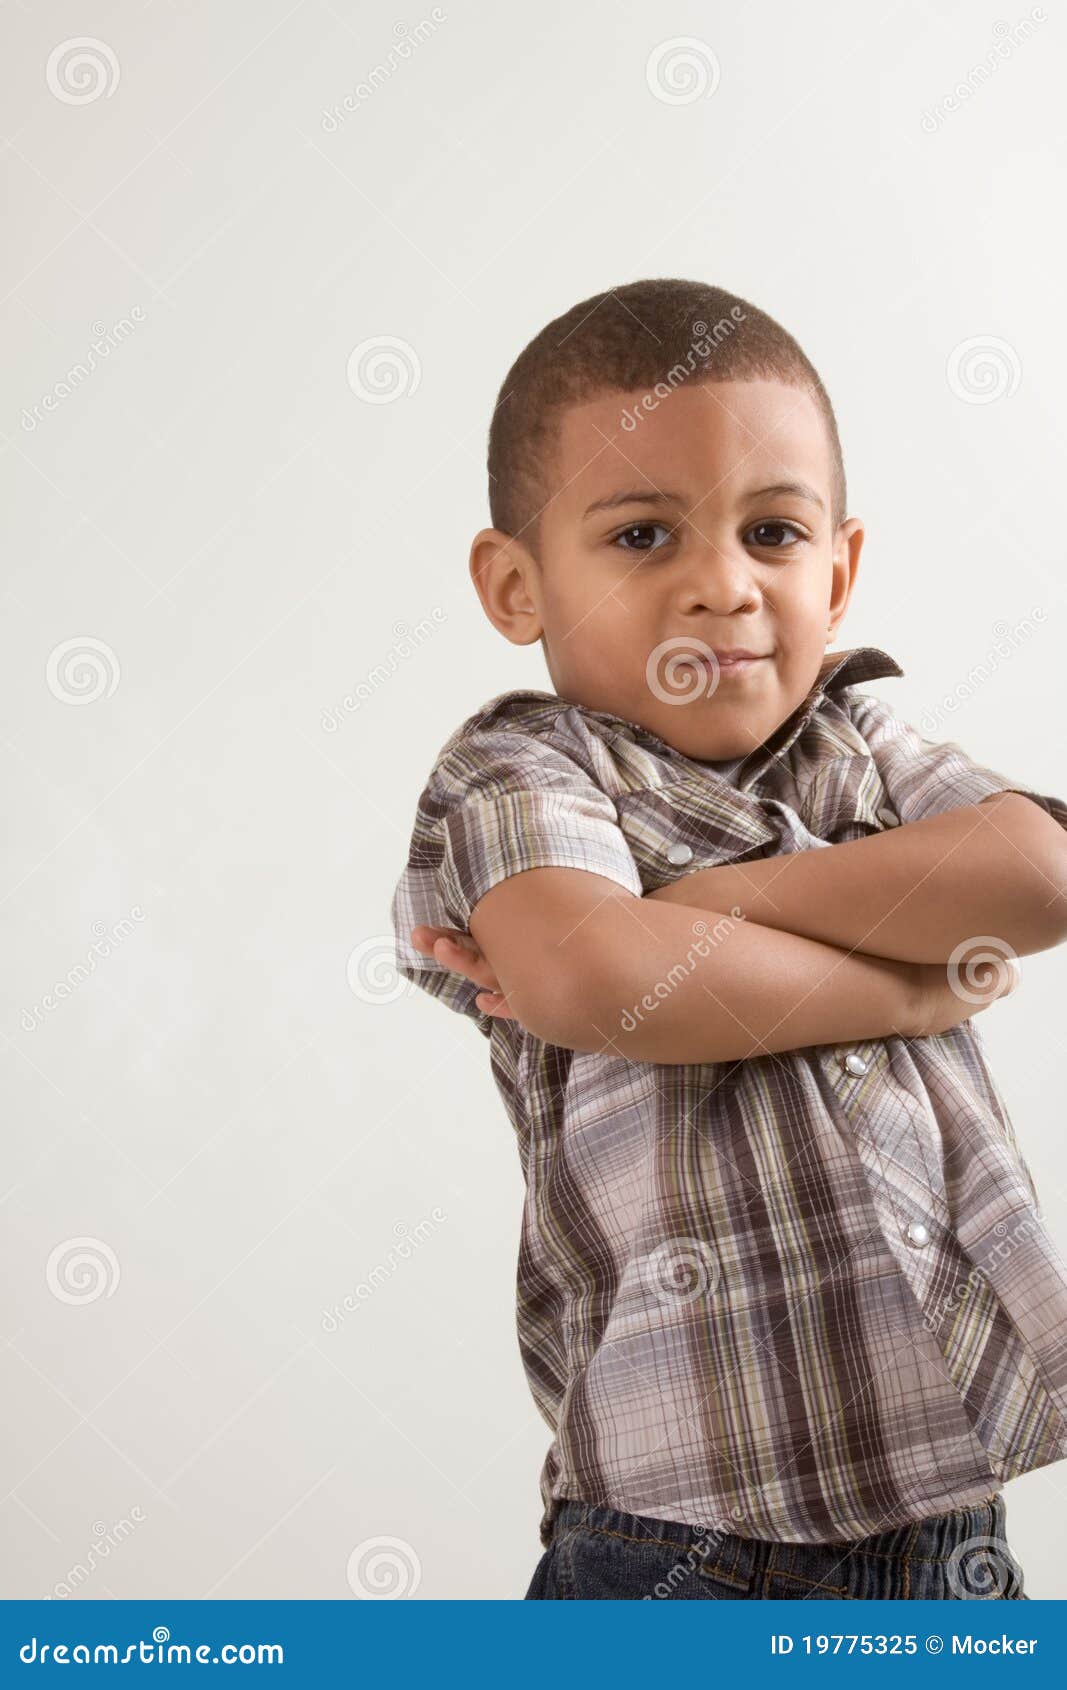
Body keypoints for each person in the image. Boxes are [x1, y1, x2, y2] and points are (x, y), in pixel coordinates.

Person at [390, 278, 1067, 1599]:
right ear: (518, 584)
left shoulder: (860, 738)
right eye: (643, 535)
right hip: (667, 1523)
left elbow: (1040, 877)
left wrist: (706, 905)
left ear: (839, 572)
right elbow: (603, 978)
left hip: (938, 1515)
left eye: (772, 532)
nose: (722, 584)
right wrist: (911, 991)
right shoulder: (524, 766)